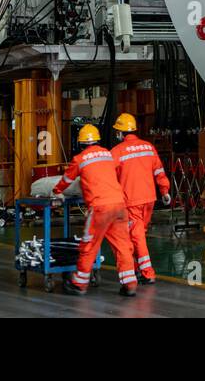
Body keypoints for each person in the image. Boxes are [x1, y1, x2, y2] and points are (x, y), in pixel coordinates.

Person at [52, 124, 138, 297]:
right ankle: (129, 284)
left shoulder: (80, 158)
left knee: (89, 244)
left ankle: (79, 284)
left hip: (100, 208)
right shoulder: (107, 154)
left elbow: (67, 179)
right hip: (120, 205)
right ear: (97, 140)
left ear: (81, 143)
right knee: (122, 246)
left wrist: (57, 191)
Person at [109, 113, 171, 284]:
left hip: (131, 201)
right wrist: (164, 191)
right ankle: (136, 268)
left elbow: (107, 176)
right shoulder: (148, 147)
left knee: (136, 236)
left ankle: (147, 272)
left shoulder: (117, 152)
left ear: (121, 133)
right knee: (137, 234)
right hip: (149, 199)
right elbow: (158, 170)